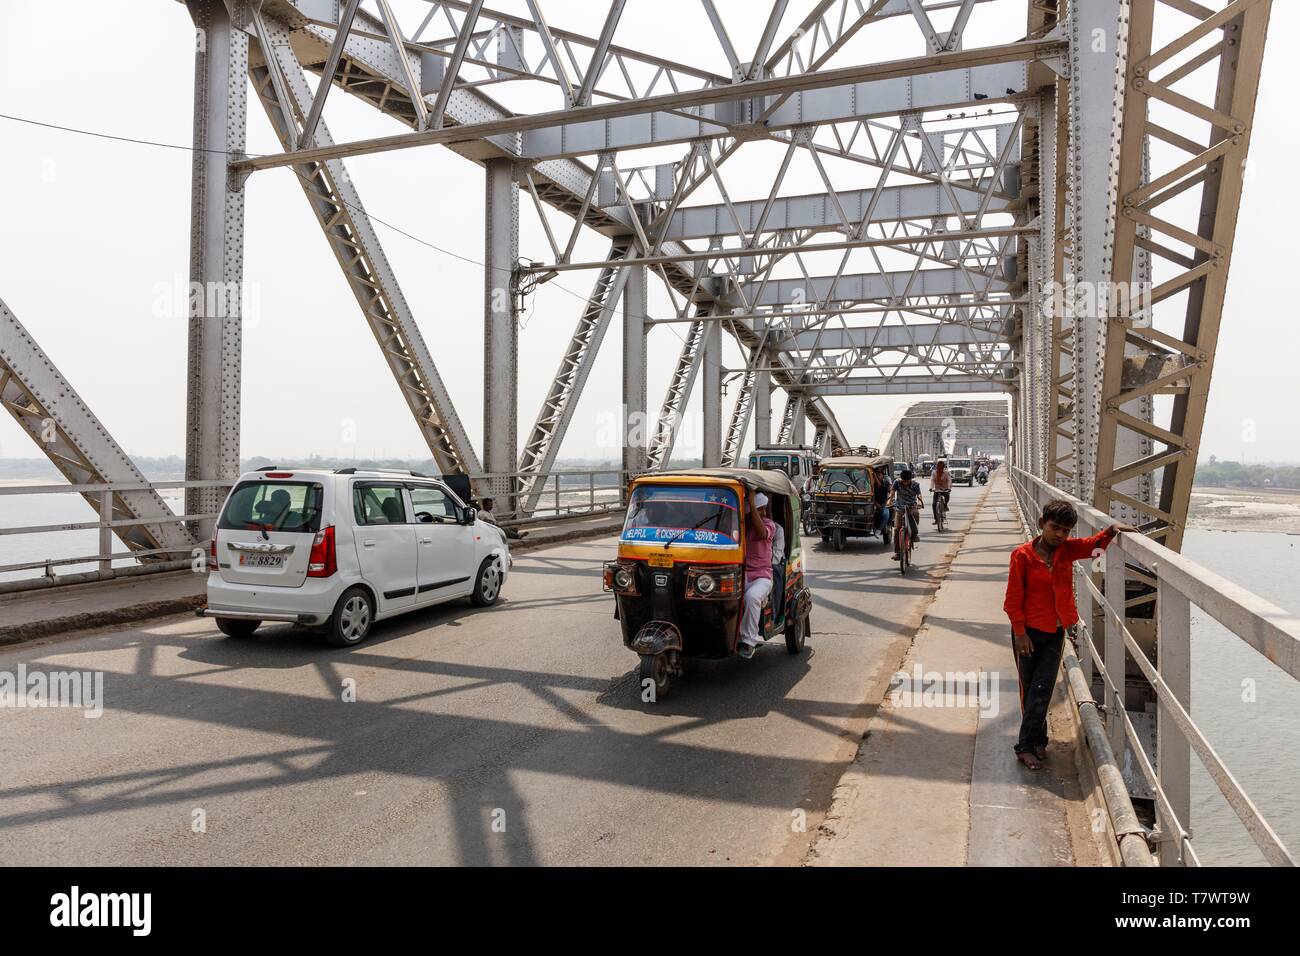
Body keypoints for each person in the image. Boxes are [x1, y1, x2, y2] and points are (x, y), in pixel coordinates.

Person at [1003, 500, 1137, 770]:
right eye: (1055, 528)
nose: (1060, 535)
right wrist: (1019, 633)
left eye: (1065, 530)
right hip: (1027, 632)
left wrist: (1111, 530)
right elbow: (1013, 599)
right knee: (1030, 690)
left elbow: (1094, 547)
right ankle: (1028, 744)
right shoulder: (1023, 556)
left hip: (1054, 631)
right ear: (1042, 524)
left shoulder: (1066, 551)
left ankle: (1032, 742)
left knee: (1043, 688)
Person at [738, 490, 775, 659]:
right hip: (743, 574)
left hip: (762, 577)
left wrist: (752, 504)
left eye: (764, 509)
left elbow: (761, 533)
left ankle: (749, 641)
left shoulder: (769, 525)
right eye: (761, 509)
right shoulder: (742, 529)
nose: (764, 513)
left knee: (752, 597)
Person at [887, 468, 924, 557]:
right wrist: (890, 500)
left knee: (916, 513)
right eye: (904, 481)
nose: (905, 483)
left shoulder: (915, 485)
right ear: (901, 479)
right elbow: (892, 492)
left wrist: (919, 502)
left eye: (907, 481)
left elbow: (919, 495)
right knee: (896, 529)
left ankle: (914, 534)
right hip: (900, 506)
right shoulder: (897, 482)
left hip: (911, 506)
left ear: (910, 479)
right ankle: (897, 552)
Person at [930, 459, 952, 526]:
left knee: (947, 496)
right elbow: (932, 480)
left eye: (941, 467)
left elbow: (949, 480)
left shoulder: (946, 473)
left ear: (943, 467)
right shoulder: (934, 473)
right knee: (934, 504)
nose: (940, 469)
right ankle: (936, 519)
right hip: (937, 490)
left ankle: (945, 505)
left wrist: (949, 488)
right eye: (939, 467)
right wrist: (931, 488)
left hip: (945, 489)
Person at [871, 467, 891, 537]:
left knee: (886, 514)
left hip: (883, 504)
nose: (878, 476)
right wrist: (876, 503)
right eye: (876, 475)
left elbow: (881, 488)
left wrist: (875, 477)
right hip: (873, 503)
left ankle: (879, 530)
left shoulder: (886, 482)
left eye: (879, 475)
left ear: (883, 476)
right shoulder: (871, 484)